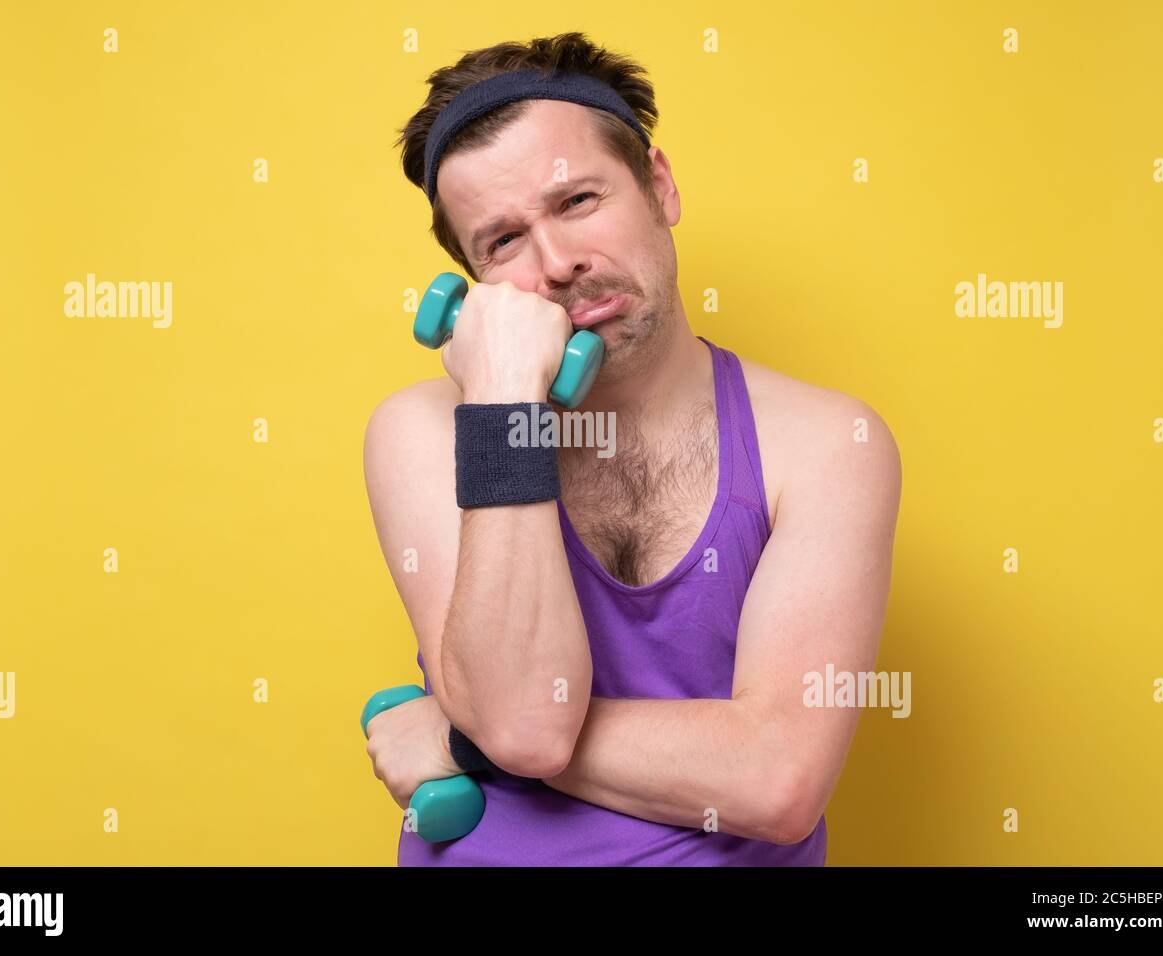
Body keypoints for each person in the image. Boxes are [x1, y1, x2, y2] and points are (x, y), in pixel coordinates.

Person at [362, 32, 902, 865]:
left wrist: (464, 738)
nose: (558, 262)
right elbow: (522, 726)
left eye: (577, 201)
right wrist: (505, 395)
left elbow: (775, 781)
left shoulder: (831, 443)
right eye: (502, 242)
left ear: (659, 184)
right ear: (473, 286)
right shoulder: (423, 433)